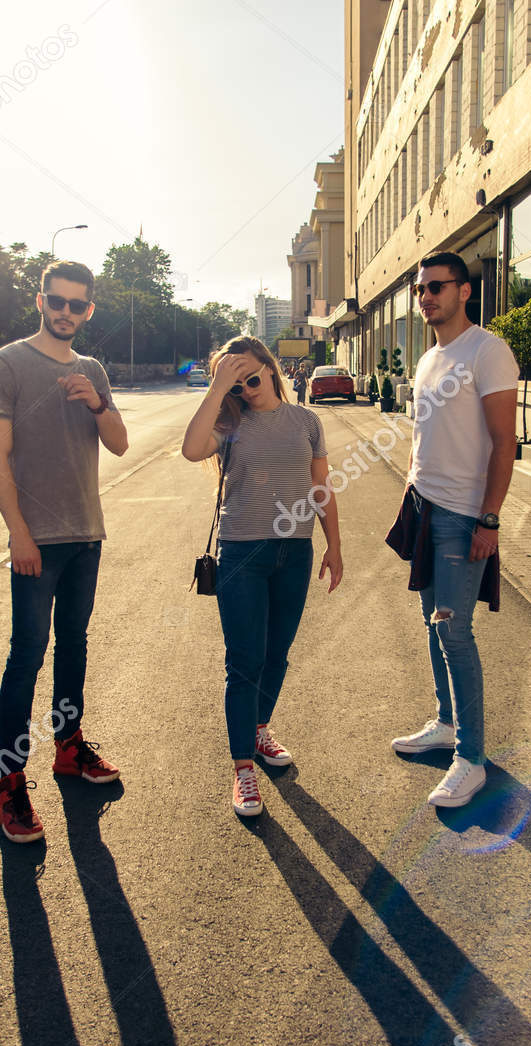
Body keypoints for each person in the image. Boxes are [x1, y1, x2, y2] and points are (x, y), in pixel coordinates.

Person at [0, 260, 130, 844]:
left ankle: (69, 749)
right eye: (57, 301)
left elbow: (118, 444)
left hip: (86, 535)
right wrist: (17, 531)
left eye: (78, 305)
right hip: (35, 540)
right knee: (26, 657)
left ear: (89, 310)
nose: (66, 312)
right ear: (40, 301)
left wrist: (96, 402)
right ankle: (9, 787)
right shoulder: (6, 364)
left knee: (74, 647)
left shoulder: (92, 369)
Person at [181, 336, 343, 817]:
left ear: (271, 371)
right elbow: (191, 450)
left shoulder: (306, 421)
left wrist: (334, 544)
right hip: (243, 554)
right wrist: (218, 389)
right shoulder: (227, 421)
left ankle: (259, 729)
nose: (247, 389)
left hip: (294, 552)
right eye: (237, 381)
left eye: (252, 377)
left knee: (277, 655)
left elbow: (321, 486)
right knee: (245, 660)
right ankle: (243, 769)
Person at [389, 252, 518, 809]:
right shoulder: (430, 358)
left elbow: (504, 442)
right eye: (421, 290)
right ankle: (445, 723)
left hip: (464, 514)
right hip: (425, 507)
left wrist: (489, 518)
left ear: (465, 291)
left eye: (436, 287)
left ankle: (472, 758)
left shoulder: (487, 351)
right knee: (430, 621)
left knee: (453, 631)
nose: (426, 297)